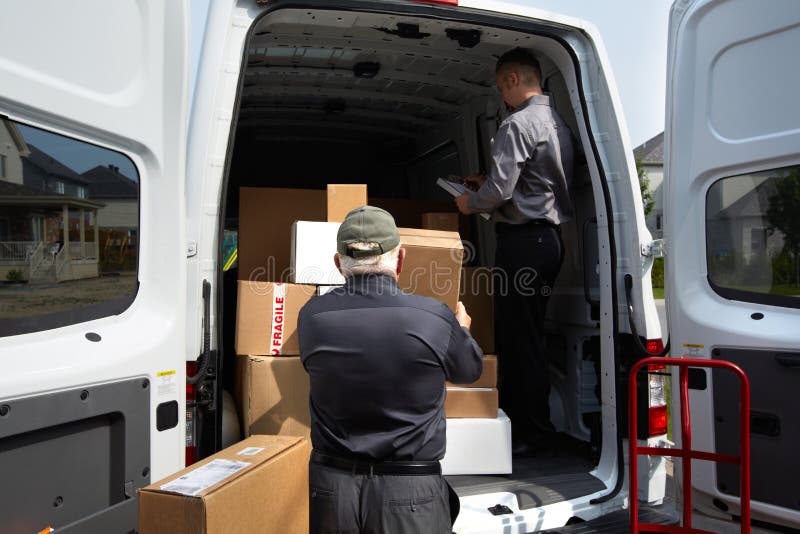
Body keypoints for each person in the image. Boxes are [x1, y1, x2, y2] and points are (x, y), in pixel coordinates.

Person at [298, 205, 483, 534]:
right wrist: (462, 330)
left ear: (339, 263)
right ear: (400, 260)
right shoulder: (433, 317)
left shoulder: (312, 316)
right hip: (409, 494)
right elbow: (469, 370)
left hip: (330, 490)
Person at [454, 47, 575, 456]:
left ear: (511, 79)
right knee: (531, 337)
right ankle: (535, 428)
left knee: (517, 339)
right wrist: (487, 182)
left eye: (501, 87)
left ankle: (530, 433)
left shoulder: (516, 123)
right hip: (549, 242)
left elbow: (501, 192)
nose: (502, 96)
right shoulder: (557, 122)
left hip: (522, 243)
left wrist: (470, 202)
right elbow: (533, 181)